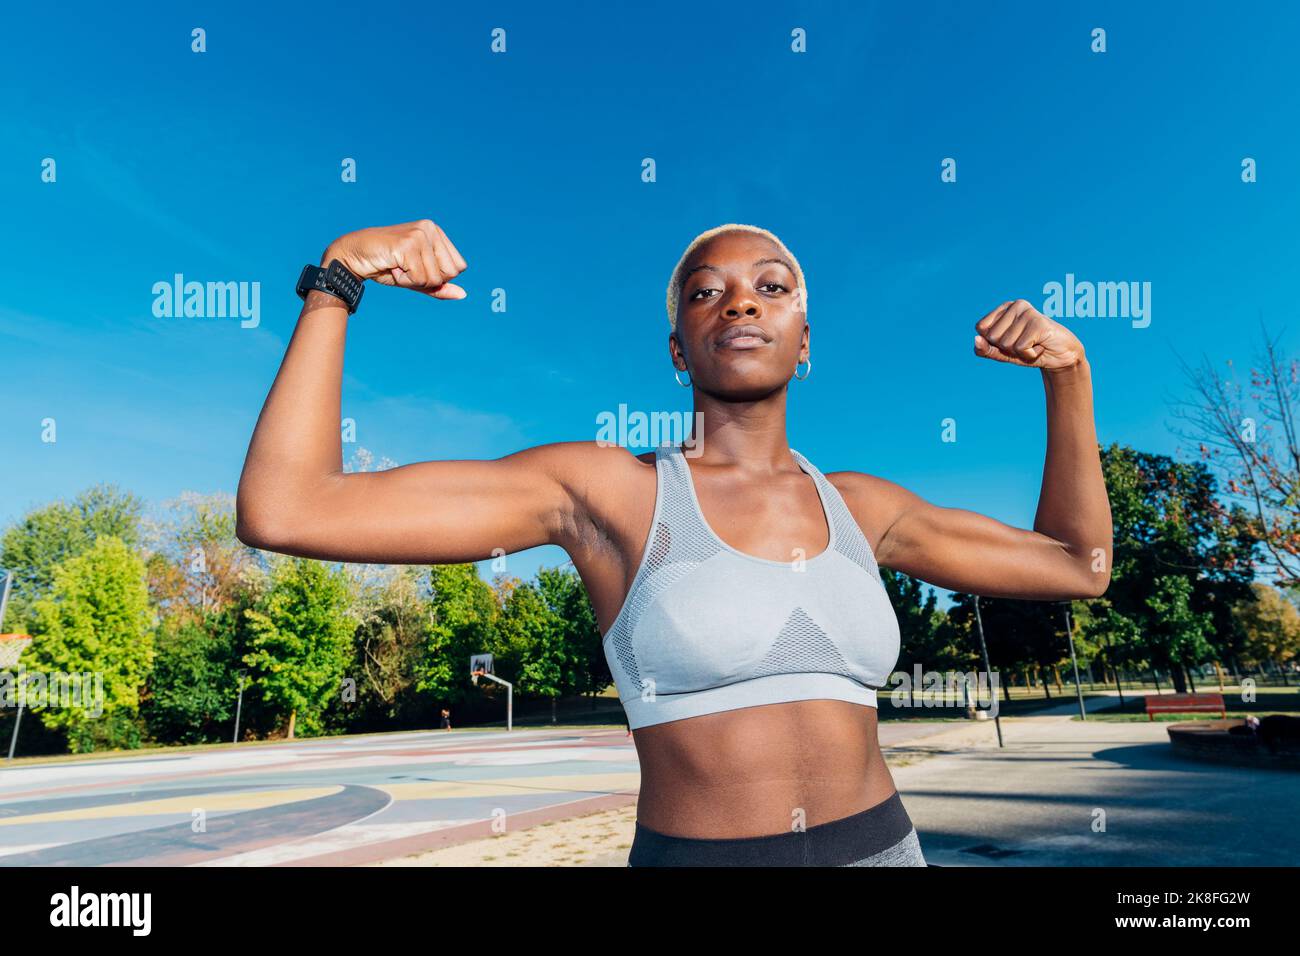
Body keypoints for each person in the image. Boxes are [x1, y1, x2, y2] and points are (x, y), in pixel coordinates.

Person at [236, 219, 1112, 866]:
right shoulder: (609, 492)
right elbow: (288, 508)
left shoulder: (863, 507)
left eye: (772, 288)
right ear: (677, 351)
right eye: (706, 291)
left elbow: (1079, 565)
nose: (740, 300)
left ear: (804, 344)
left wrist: (1068, 376)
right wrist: (338, 278)